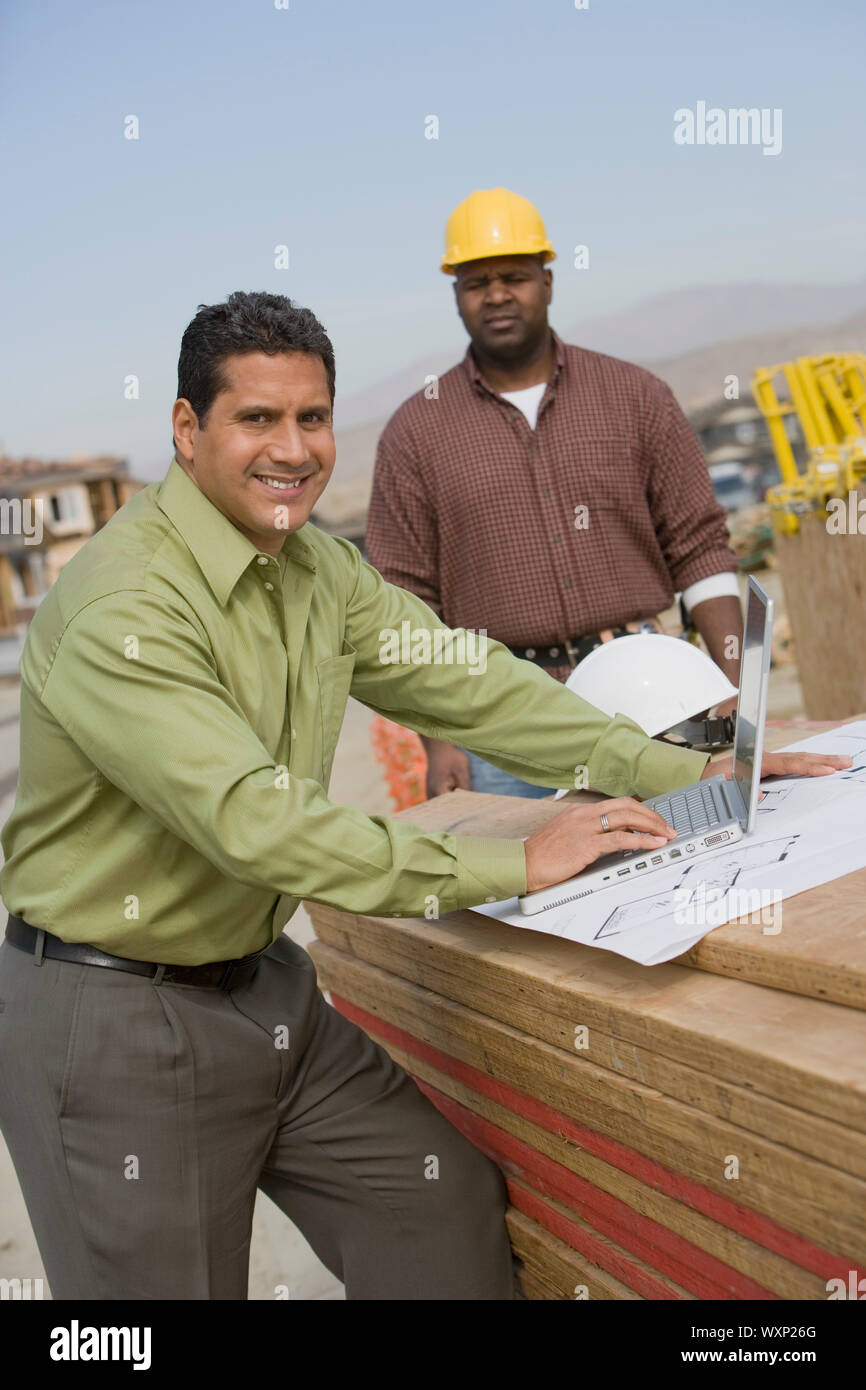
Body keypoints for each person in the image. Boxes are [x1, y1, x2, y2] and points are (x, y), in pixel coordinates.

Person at [0, 291, 846, 1302]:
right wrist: (509, 861)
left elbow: (466, 683)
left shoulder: (315, 567)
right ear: (187, 429)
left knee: (434, 1208)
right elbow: (256, 825)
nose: (293, 447)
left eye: (311, 417)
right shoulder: (125, 606)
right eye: (255, 418)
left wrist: (682, 769)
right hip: (114, 1019)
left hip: (263, 987)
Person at [366, 188, 745, 801]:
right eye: (475, 281)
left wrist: (736, 684)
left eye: (514, 276)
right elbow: (405, 602)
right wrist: (438, 744)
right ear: (455, 295)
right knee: (539, 893)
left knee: (692, 873)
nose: (495, 294)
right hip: (505, 725)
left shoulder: (634, 396)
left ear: (547, 281)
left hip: (660, 701)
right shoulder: (416, 432)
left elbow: (700, 547)